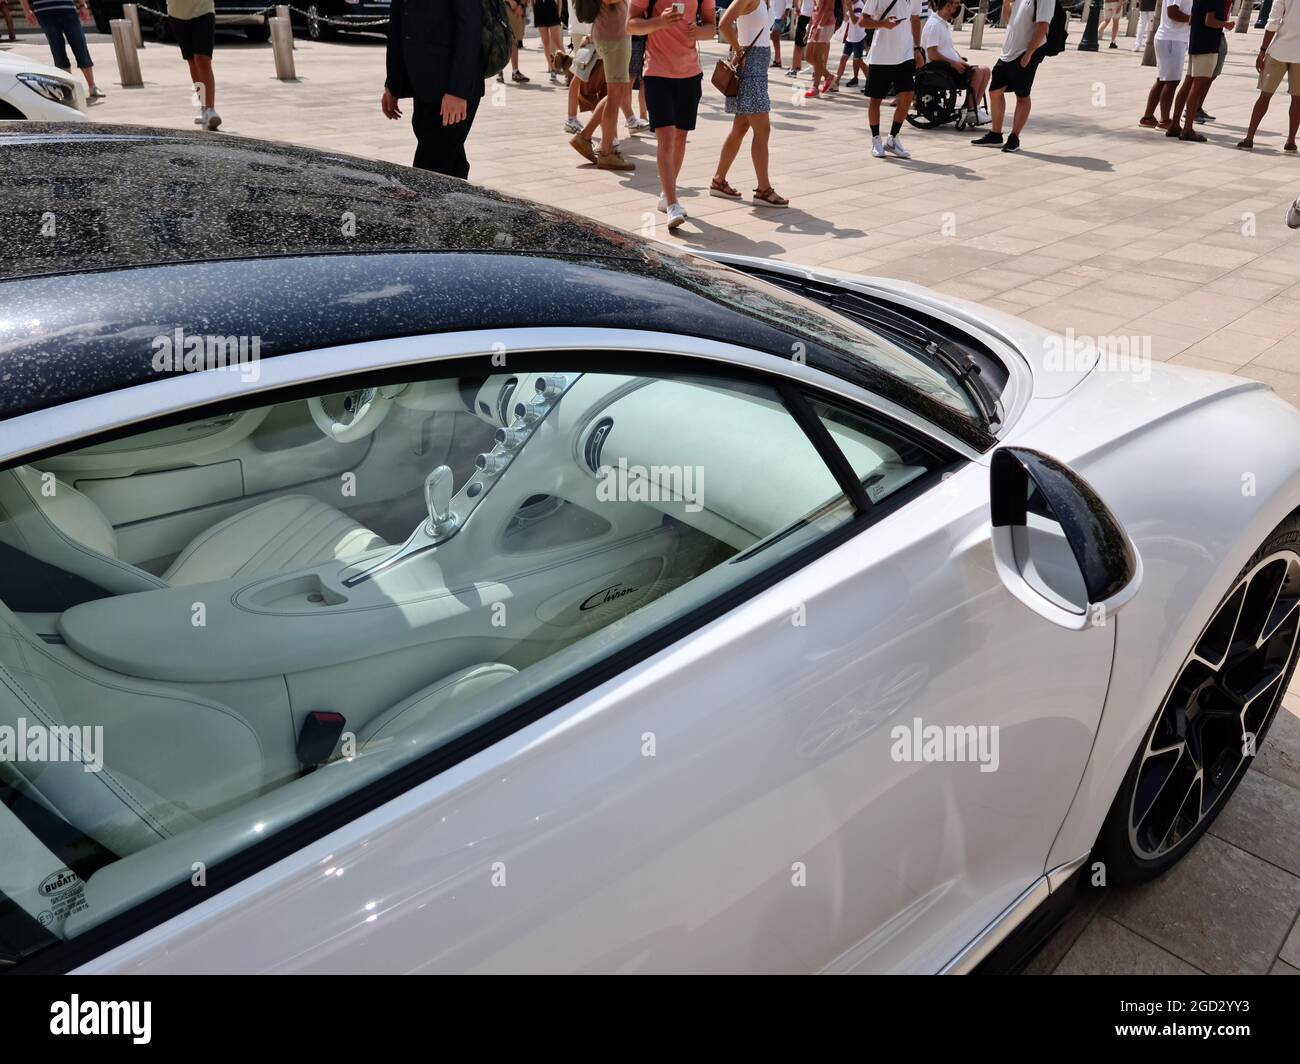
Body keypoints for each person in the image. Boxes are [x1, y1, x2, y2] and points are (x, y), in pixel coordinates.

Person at [629, 0, 717, 230]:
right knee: (666, 138)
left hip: (690, 74)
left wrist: (698, 32)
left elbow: (711, 28)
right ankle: (672, 204)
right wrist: (659, 22)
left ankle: (667, 192)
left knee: (680, 138)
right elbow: (630, 24)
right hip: (657, 73)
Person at [382, 0, 483, 178]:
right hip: (424, 86)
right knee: (448, 166)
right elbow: (400, 20)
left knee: (428, 172)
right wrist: (393, 84)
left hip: (453, 89)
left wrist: (457, 90)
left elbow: (470, 26)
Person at [713, 0, 789, 205]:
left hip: (759, 68)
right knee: (763, 130)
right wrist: (738, 51)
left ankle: (718, 181)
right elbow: (723, 24)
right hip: (751, 68)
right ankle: (763, 189)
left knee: (741, 127)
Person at [970, 0, 1053, 153]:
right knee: (995, 91)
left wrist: (1029, 54)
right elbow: (1009, 20)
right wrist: (1006, 3)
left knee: (1022, 94)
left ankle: (1014, 137)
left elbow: (1043, 26)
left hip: (1026, 51)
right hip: (1008, 51)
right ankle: (996, 134)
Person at [572, 0, 635, 169]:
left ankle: (585, 137)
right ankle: (607, 152)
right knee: (615, 96)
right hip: (613, 36)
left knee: (616, 94)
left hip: (612, 33)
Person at [860, 0, 922, 158]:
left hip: (905, 53)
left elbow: (915, 19)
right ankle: (876, 139)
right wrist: (883, 24)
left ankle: (893, 138)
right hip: (882, 54)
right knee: (876, 99)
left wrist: (917, 49)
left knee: (907, 95)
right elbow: (863, 21)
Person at [1165, 0, 1231, 141]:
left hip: (1196, 41)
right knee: (1197, 85)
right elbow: (1210, 21)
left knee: (1188, 83)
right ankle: (1187, 129)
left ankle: (1175, 124)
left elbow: (1194, 18)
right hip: (1207, 44)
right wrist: (1226, 24)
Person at [1239, 0, 1299, 150]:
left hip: (1279, 49)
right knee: (1297, 99)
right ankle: (1291, 141)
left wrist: (1262, 50)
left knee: (1265, 96)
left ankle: (1249, 137)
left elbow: (1273, 21)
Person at [21, 0, 103, 103]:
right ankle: (69, 89)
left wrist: (82, 5)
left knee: (80, 44)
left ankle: (92, 86)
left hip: (67, 8)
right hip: (44, 11)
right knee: (57, 49)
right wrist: (27, 11)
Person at [923, 0, 989, 125]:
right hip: (940, 69)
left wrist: (959, 59)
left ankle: (974, 108)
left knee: (985, 70)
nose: (958, 7)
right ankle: (970, 110)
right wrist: (953, 63)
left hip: (949, 66)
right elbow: (932, 54)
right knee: (978, 72)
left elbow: (948, 48)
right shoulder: (934, 25)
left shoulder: (943, 24)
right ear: (948, 5)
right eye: (956, 3)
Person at [163, 0, 219, 128]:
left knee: (202, 59)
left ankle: (210, 109)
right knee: (192, 61)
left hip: (203, 10)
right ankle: (203, 106)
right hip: (177, 14)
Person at [1140, 0, 1191, 128]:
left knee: (1162, 80)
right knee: (1171, 81)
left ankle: (1148, 117)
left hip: (1173, 38)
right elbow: (1172, 12)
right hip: (1172, 39)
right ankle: (1164, 120)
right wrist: (1192, 18)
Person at [833, 0, 869, 88]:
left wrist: (849, 8)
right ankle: (836, 82)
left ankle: (870, 81)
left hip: (858, 37)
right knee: (843, 59)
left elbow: (854, 21)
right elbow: (846, 19)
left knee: (858, 61)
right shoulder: (852, 4)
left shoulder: (859, 5)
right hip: (850, 37)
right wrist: (846, 8)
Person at [804, 0, 837, 96]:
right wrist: (810, 27)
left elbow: (830, 9)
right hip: (815, 24)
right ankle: (828, 76)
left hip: (825, 25)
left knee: (818, 57)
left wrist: (820, 27)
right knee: (808, 57)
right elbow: (815, 8)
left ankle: (815, 87)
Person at [500, 0, 531, 82]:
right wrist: (510, 1)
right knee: (503, 40)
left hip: (518, 9)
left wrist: (521, 5)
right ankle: (499, 72)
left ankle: (515, 72)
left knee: (514, 41)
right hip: (506, 7)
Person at [535, 0, 566, 82]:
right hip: (539, 10)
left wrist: (558, 14)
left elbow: (560, 1)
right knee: (545, 42)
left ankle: (568, 68)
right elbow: (532, 2)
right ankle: (552, 70)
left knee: (557, 41)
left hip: (552, 10)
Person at [787, 0, 813, 74]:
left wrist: (798, 9)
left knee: (799, 43)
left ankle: (794, 69)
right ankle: (797, 66)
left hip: (808, 15)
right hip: (810, 14)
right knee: (804, 43)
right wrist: (798, 9)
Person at [770, 0, 790, 66]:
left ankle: (777, 60)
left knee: (774, 36)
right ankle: (777, 60)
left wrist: (785, 14)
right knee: (774, 37)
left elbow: (789, 3)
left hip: (780, 17)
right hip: (772, 16)